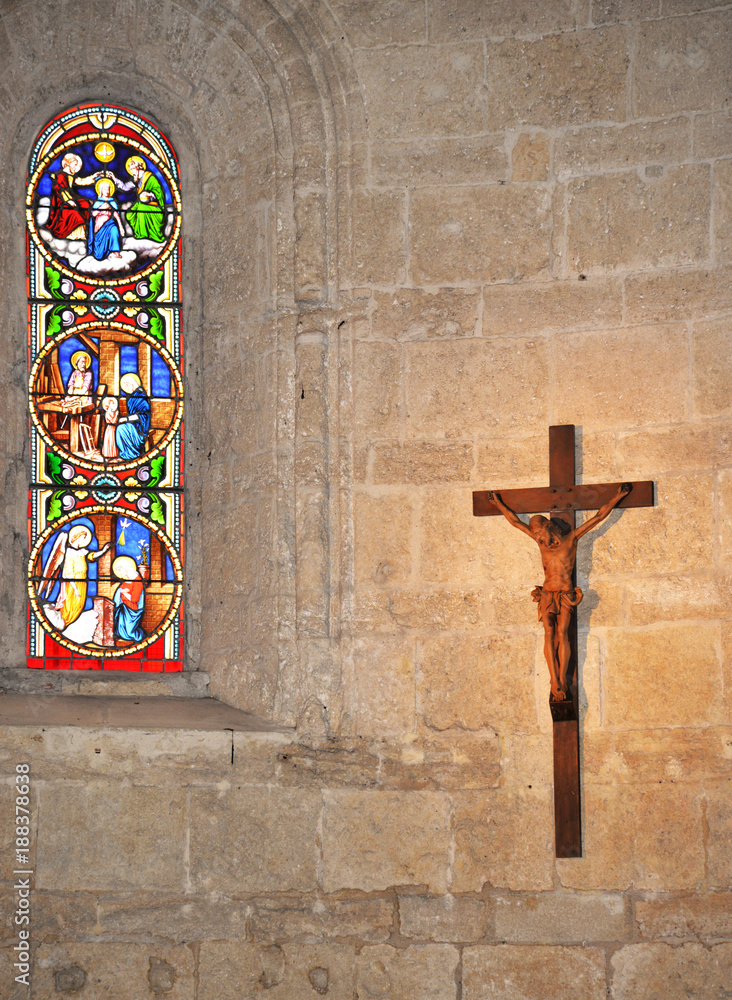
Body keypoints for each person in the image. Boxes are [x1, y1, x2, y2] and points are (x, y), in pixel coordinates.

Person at [488, 483, 632, 702]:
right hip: (546, 595)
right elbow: (515, 522)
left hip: (564, 595)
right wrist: (497, 503)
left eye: (538, 533)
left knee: (562, 634)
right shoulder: (541, 544)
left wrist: (617, 496)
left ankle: (563, 680)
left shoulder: (570, 539)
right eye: (535, 535)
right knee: (548, 633)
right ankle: (553, 680)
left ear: (547, 527)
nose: (537, 538)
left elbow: (598, 517)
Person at [38, 525, 110, 631]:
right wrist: (75, 588)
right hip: (71, 584)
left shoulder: (83, 552)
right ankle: (60, 623)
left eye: (85, 538)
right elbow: (68, 573)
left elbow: (93, 555)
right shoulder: (69, 552)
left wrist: (104, 550)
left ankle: (63, 624)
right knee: (70, 606)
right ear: (76, 537)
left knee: (78, 606)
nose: (84, 540)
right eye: (82, 537)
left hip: (82, 582)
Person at [107, 156, 166, 243]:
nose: (130, 169)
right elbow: (125, 187)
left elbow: (159, 193)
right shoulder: (137, 180)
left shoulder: (150, 178)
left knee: (141, 209)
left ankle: (146, 236)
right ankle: (140, 233)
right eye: (129, 167)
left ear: (138, 165)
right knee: (130, 214)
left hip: (155, 207)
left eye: (131, 166)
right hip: (142, 205)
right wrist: (115, 179)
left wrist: (150, 195)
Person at [45, 152, 100, 240]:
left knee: (85, 204)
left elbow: (81, 181)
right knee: (73, 212)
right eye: (74, 165)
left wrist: (93, 177)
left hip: (71, 197)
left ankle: (83, 232)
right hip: (61, 201)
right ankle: (72, 234)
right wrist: (69, 201)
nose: (75, 167)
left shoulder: (70, 176)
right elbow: (61, 190)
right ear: (68, 163)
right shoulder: (60, 175)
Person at [115, 373, 151, 460]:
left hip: (140, 427)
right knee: (120, 428)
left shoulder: (141, 396)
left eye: (127, 385)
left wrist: (126, 419)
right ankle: (127, 452)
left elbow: (144, 415)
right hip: (133, 425)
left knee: (121, 429)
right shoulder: (133, 396)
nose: (127, 388)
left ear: (133, 384)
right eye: (125, 386)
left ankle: (132, 454)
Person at [112, 555, 148, 642]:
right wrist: (121, 592)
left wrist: (124, 592)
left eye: (120, 571)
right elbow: (119, 594)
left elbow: (135, 599)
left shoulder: (137, 581)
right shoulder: (126, 581)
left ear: (126, 568)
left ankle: (142, 636)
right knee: (120, 628)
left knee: (130, 632)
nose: (119, 574)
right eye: (118, 572)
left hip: (133, 611)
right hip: (123, 609)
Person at [87, 178, 124, 260]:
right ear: (101, 190)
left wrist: (121, 227)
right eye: (105, 189)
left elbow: (116, 214)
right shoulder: (97, 202)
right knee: (98, 255)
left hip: (110, 224)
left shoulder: (113, 202)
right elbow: (93, 214)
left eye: (108, 188)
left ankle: (115, 252)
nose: (107, 190)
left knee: (114, 230)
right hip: (99, 228)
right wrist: (102, 208)